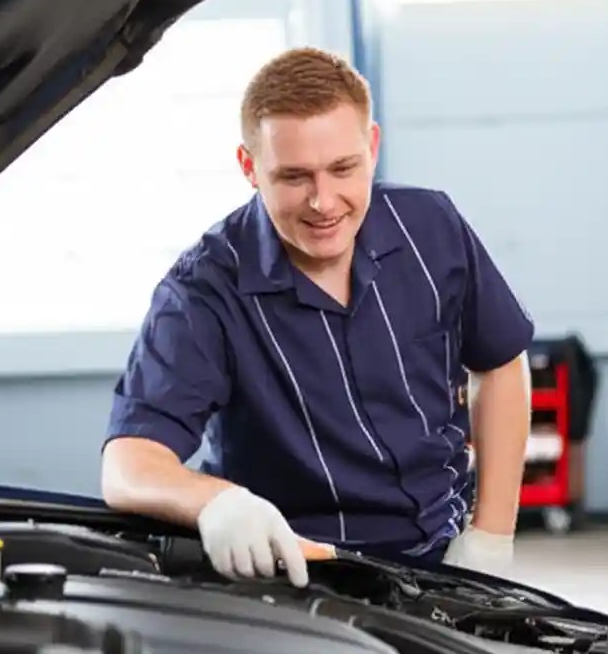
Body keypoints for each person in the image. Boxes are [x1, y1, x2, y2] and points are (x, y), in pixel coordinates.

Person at [99, 46, 534, 590]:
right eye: (294, 177)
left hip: (442, 558)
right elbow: (128, 464)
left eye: (343, 169)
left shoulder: (434, 229)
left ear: (372, 147)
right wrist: (218, 504)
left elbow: (500, 362)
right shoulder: (201, 291)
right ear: (249, 167)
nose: (323, 202)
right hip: (292, 572)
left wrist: (491, 536)